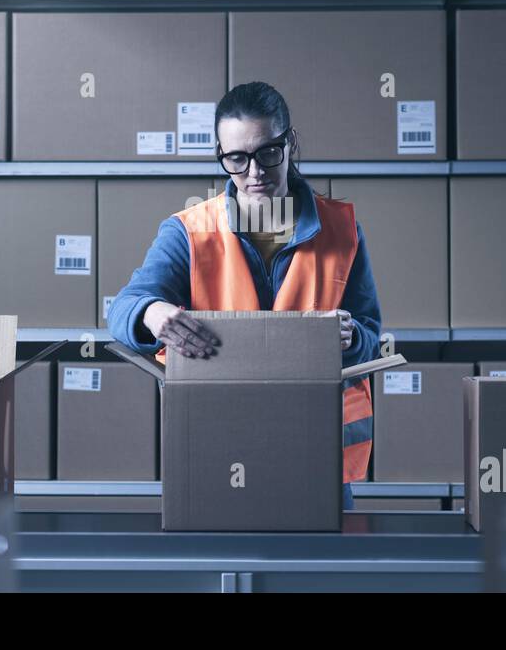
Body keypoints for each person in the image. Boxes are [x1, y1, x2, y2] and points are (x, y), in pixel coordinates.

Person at [107, 81, 382, 509]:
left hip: (317, 452)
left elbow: (371, 338)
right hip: (220, 450)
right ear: (221, 155)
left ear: (289, 143)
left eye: (268, 153)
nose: (254, 173)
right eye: (236, 158)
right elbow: (124, 307)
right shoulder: (189, 232)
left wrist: (351, 340)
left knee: (321, 575)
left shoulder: (342, 231)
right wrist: (152, 312)